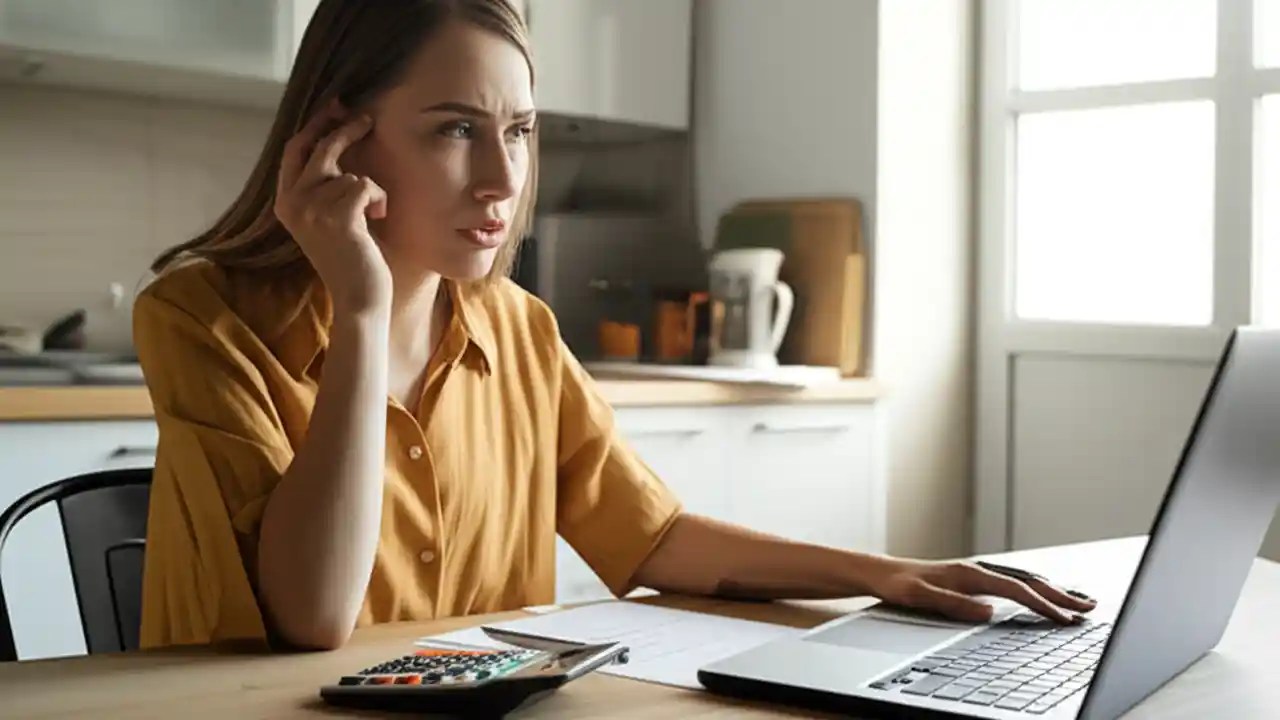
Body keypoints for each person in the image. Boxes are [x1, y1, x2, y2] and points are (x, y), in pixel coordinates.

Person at [134, 0, 1094, 652]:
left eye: (517, 131)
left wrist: (887, 574)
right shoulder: (197, 318)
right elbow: (313, 619)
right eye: (455, 128)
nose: (505, 182)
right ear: (337, 138)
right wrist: (363, 306)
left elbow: (654, 540)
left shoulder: (520, 331)